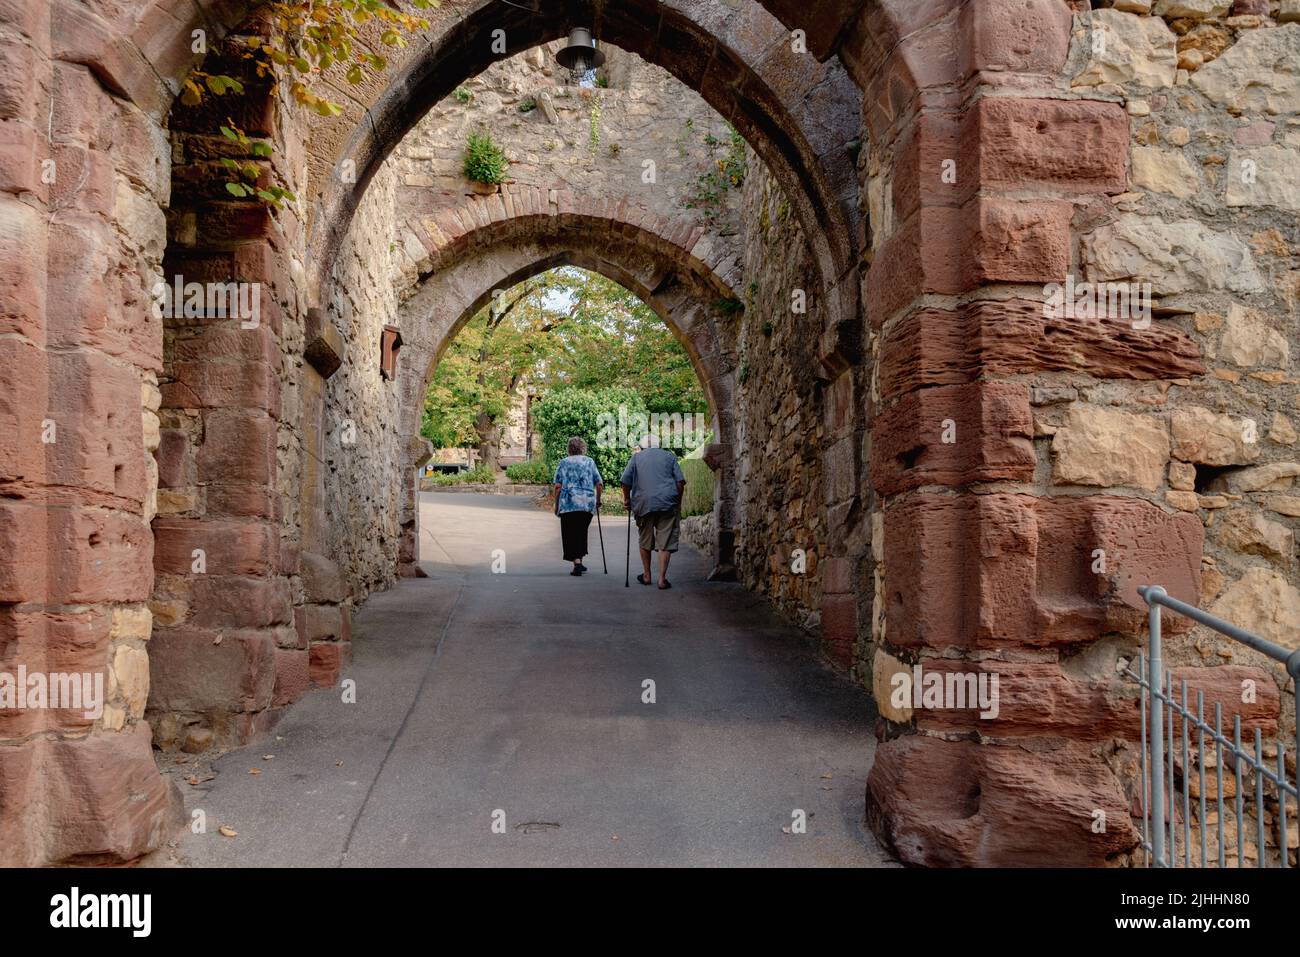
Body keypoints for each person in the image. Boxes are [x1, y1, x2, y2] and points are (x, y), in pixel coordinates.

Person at [620, 432, 685, 590]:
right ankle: (662, 580)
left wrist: (627, 499)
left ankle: (647, 575)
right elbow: (680, 482)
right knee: (665, 541)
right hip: (667, 503)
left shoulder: (636, 458)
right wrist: (677, 501)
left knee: (645, 539)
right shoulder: (669, 457)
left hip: (643, 503)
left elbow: (625, 481)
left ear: (643, 446)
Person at [553, 436, 603, 576]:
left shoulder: (564, 463)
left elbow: (557, 486)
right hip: (586, 504)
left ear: (569, 448)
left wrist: (557, 505)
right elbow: (599, 484)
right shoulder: (589, 462)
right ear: (583, 448)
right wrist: (598, 501)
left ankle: (577, 563)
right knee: (581, 532)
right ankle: (579, 561)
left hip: (568, 504)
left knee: (570, 534)